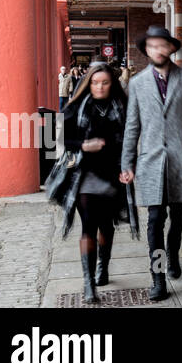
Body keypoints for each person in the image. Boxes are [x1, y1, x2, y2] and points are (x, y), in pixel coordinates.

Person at [120, 24, 182, 301]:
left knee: (178, 215)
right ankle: (157, 277)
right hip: (150, 161)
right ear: (146, 50)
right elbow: (132, 126)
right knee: (156, 220)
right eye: (152, 46)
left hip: (179, 161)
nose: (157, 50)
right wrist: (127, 162)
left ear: (171, 48)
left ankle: (173, 256)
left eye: (162, 45)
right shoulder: (136, 84)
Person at [61, 60, 138, 303]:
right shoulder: (76, 108)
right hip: (84, 175)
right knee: (88, 227)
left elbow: (131, 138)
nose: (100, 87)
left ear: (111, 83)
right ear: (88, 83)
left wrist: (129, 166)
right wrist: (84, 144)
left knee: (106, 225)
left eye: (104, 82)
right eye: (95, 82)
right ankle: (88, 282)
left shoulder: (122, 106)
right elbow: (63, 141)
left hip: (113, 174)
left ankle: (103, 265)